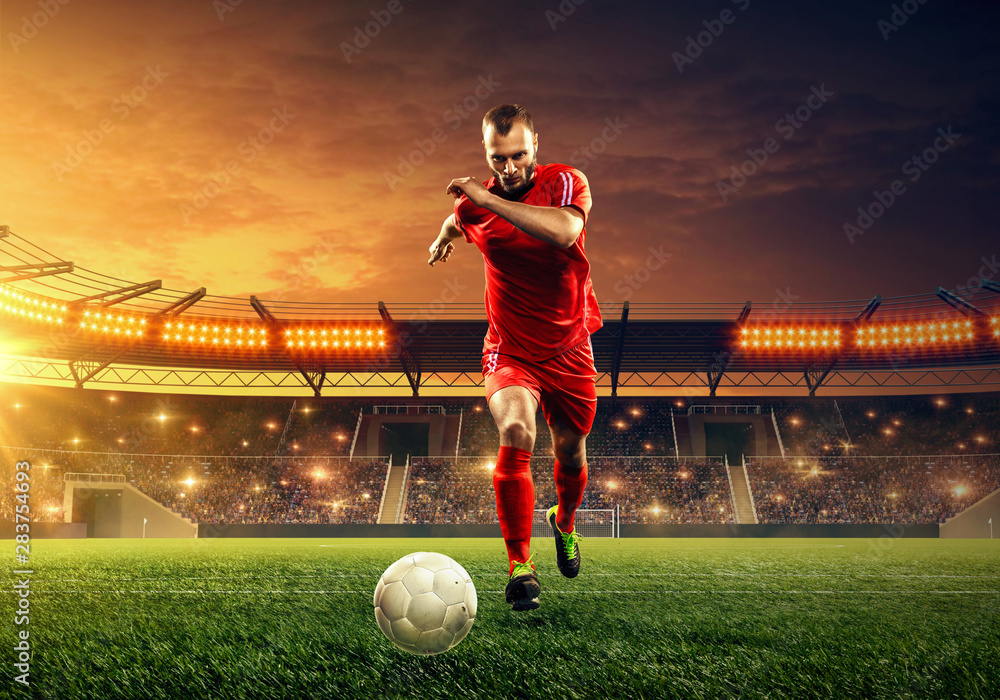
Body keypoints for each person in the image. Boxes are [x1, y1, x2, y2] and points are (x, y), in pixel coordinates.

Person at [427, 103, 602, 612]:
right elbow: (458, 219)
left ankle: (563, 523)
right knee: (516, 433)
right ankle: (520, 568)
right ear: (487, 152)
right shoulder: (471, 208)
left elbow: (565, 232)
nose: (508, 168)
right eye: (497, 158)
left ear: (536, 145)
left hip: (570, 346)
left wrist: (485, 197)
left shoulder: (567, 181)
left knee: (570, 453)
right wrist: (443, 235)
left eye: (518, 155)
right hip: (509, 349)